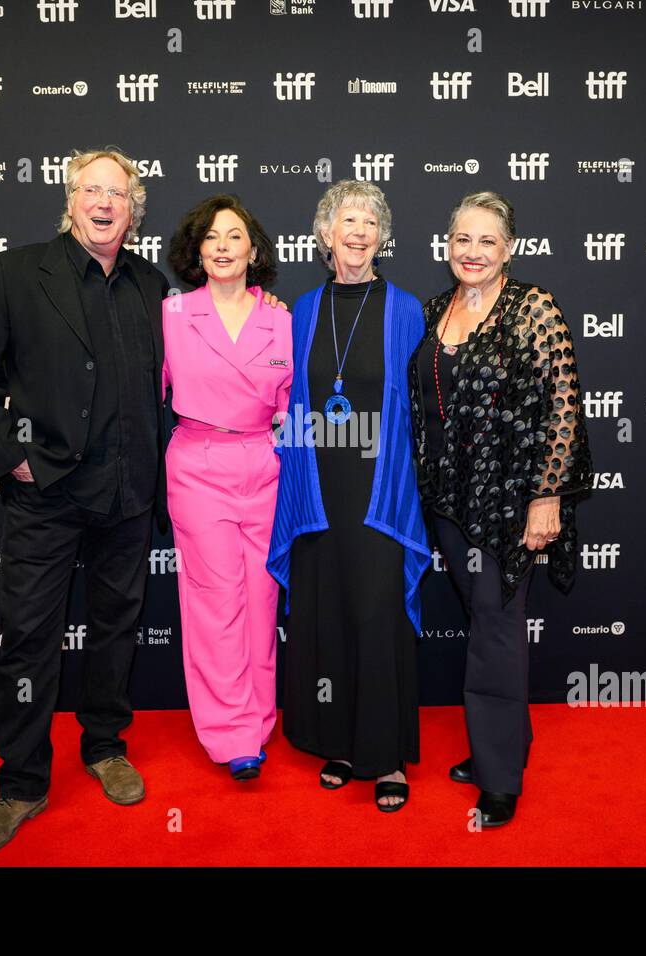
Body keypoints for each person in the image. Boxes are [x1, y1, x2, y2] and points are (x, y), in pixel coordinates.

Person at [0, 147, 171, 856]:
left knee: (116, 629)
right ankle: (19, 784)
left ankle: (105, 745)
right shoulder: (17, 272)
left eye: (118, 193)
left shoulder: (150, 283)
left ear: (134, 209)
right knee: (28, 642)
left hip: (128, 492)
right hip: (45, 493)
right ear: (70, 200)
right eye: (91, 190)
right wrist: (8, 458)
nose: (104, 203)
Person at [409, 191, 593, 828]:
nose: (473, 252)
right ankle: (505, 742)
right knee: (487, 621)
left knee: (492, 629)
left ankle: (498, 778)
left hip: (512, 503)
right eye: (463, 239)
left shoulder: (532, 308)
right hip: (450, 502)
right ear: (447, 245)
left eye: (487, 241)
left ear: (508, 249)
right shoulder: (437, 309)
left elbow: (564, 404)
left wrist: (547, 495)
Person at [268, 180, 429, 812]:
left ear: (382, 236)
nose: (358, 231)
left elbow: (418, 407)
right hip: (316, 484)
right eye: (346, 220)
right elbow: (293, 400)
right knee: (326, 610)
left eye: (369, 221)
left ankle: (385, 757)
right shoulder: (302, 310)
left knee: (376, 612)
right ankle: (336, 740)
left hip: (380, 489)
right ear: (325, 234)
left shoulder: (406, 309)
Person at [162, 195, 291, 780]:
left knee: (262, 601)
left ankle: (258, 719)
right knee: (215, 602)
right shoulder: (171, 315)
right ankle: (230, 734)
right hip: (198, 463)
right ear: (196, 251)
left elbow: (295, 405)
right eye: (210, 237)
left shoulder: (282, 320)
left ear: (254, 249)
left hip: (265, 465)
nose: (221, 245)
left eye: (233, 235)